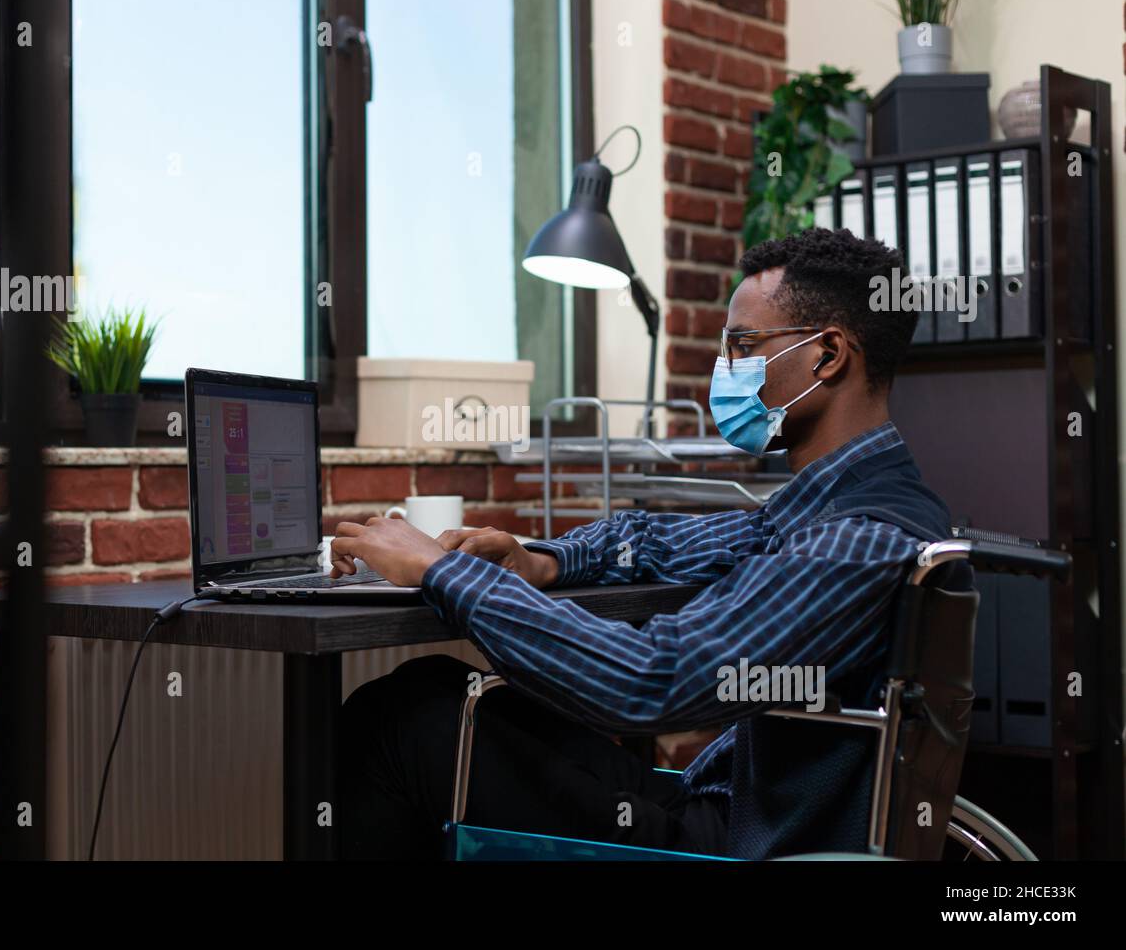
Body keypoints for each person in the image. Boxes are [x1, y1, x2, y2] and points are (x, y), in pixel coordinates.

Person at [329, 227, 964, 860]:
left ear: (827, 355)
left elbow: (651, 678)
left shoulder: (856, 542)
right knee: (433, 687)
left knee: (402, 727)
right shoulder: (845, 503)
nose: (726, 370)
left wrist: (443, 572)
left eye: (744, 346)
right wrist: (544, 562)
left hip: (747, 840)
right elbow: (658, 539)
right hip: (734, 801)